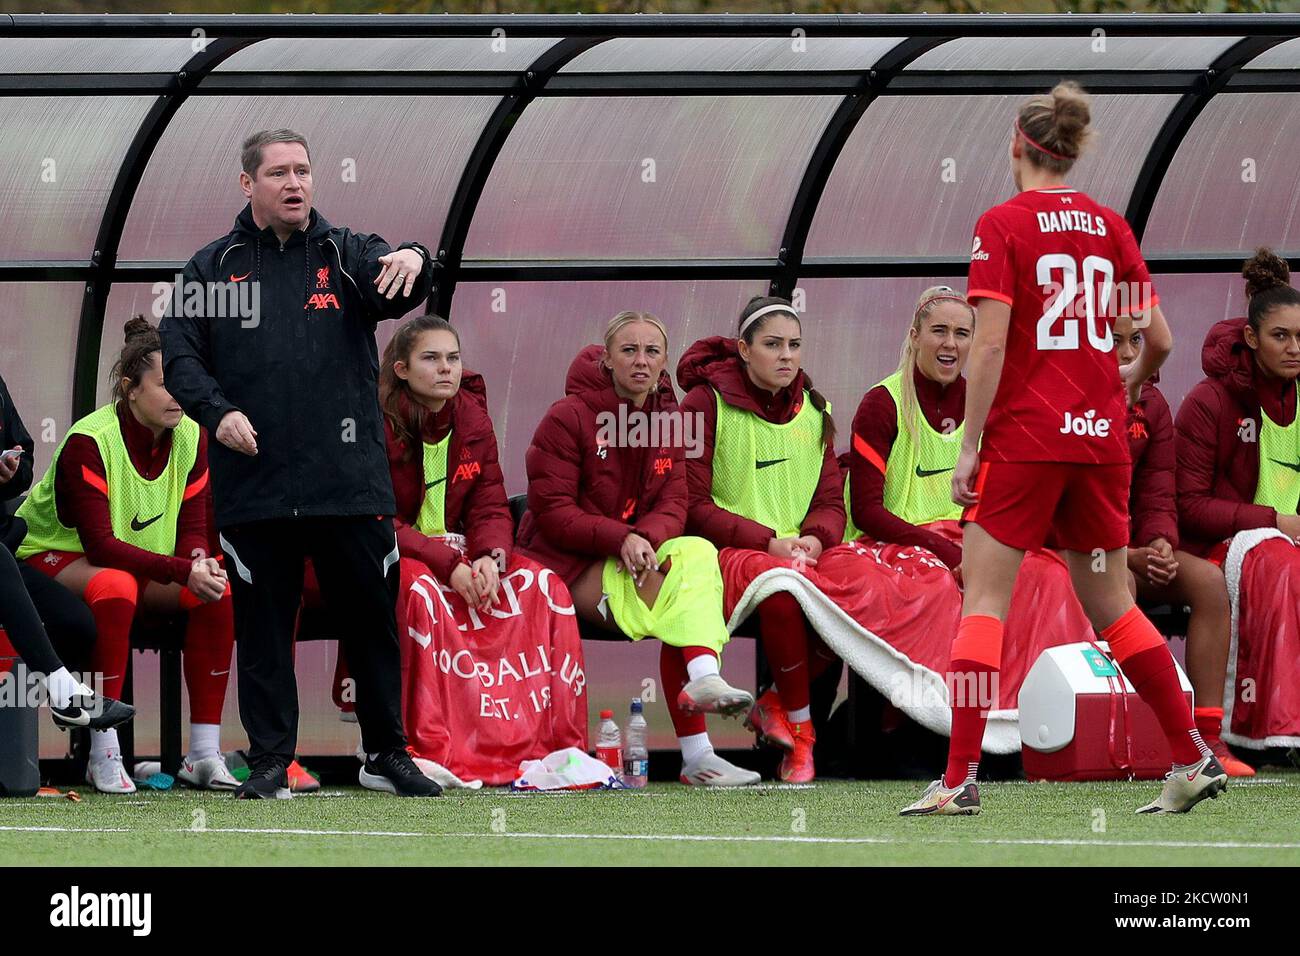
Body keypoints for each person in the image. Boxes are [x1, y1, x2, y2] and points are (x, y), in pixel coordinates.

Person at [901, 83, 1227, 816]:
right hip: (1100, 445)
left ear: (1016, 144)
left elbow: (988, 343)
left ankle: (957, 780)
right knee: (1112, 603)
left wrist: (970, 448)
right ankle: (1190, 755)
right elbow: (1161, 341)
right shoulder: (1110, 225)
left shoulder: (1002, 223)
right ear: (1073, 151)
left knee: (983, 602)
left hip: (1026, 442)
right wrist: (1126, 382)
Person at [159, 128, 439, 798]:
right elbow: (180, 356)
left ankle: (387, 753)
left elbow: (401, 285)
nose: (295, 184)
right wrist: (218, 411)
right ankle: (268, 761)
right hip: (257, 485)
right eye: (280, 173)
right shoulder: (213, 268)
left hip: (348, 481)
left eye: (304, 171)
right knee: (262, 630)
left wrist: (416, 255)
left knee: (371, 620)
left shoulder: (343, 253)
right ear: (248, 183)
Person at [516, 311, 760, 787]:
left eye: (652, 351)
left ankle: (703, 687)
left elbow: (676, 501)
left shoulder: (668, 419)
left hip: (634, 555)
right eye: (629, 351)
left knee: (696, 551)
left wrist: (643, 539)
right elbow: (552, 511)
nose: (641, 361)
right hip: (568, 562)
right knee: (682, 600)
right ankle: (698, 746)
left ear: (664, 359)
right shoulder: (567, 417)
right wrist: (619, 538)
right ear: (607, 359)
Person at [16, 318, 233, 794]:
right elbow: (100, 547)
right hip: (49, 557)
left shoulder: (192, 435)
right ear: (130, 388)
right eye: (163, 384)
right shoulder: (88, 441)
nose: (177, 395)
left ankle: (203, 754)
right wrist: (182, 569)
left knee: (216, 589)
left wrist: (197, 564)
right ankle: (103, 751)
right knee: (115, 585)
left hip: (137, 566)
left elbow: (194, 530)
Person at [380, 315, 586, 784]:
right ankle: (415, 743)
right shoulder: (376, 422)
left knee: (541, 583)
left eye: (453, 358)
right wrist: (450, 565)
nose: (446, 369)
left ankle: (546, 740)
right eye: (430, 359)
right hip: (395, 557)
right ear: (402, 370)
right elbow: (376, 522)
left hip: (463, 556)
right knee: (419, 591)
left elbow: (491, 503)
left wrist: (492, 558)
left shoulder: (471, 416)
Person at [676, 296, 844, 782]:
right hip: (728, 557)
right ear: (744, 351)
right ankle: (803, 738)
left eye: (794, 345)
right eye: (772, 345)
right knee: (783, 588)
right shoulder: (702, 403)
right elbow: (692, 504)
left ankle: (773, 704)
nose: (786, 356)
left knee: (870, 589)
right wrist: (769, 542)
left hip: (798, 557)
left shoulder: (816, 409)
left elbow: (832, 502)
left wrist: (814, 539)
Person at [1113, 314, 1252, 777]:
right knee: (1121, 589)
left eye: (1137, 340)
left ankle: (1209, 739)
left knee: (1209, 582)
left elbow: (1159, 488)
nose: (1130, 354)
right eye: (1115, 341)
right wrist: (1126, 555)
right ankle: (1123, 739)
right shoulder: (1069, 406)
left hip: (1137, 550)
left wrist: (1160, 543)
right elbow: (1061, 511)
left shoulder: (1152, 405)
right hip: (1087, 553)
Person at [1174, 248, 1300, 751]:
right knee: (1278, 560)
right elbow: (1190, 505)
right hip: (1224, 548)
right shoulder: (1210, 401)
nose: (1294, 348)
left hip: (1283, 544)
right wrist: (1277, 521)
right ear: (1250, 338)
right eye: (1281, 336)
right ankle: (1271, 732)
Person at [1, 373, 132, 732]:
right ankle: (67, 696)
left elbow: (23, 460)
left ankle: (36, 730)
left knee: (76, 624)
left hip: (4, 548)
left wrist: (9, 473)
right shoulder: (93, 436)